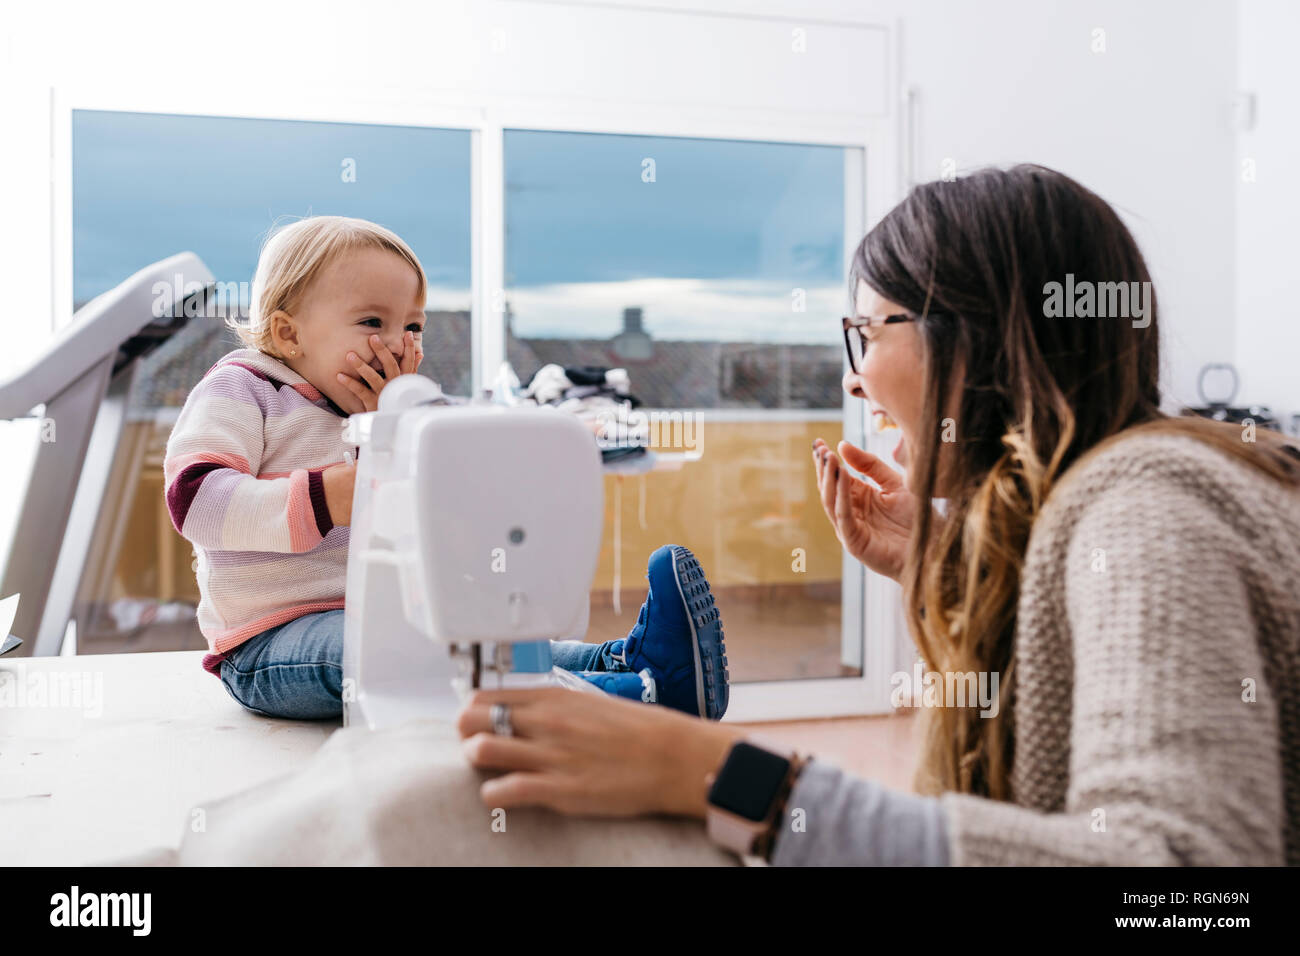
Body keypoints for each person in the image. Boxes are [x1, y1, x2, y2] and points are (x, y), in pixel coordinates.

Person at [457, 164, 1300, 866]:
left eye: (866, 332)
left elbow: (1194, 889)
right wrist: (942, 567)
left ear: (972, 336)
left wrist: (732, 777)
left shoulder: (1144, 508)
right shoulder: (1114, 499)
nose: (854, 381)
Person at [163, 215, 730, 721]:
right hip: (269, 640)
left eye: (412, 328)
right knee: (419, 650)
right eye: (372, 323)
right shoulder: (245, 388)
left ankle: (638, 669)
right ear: (289, 332)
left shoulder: (405, 405)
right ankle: (622, 700)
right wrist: (339, 492)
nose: (398, 344)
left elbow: (469, 430)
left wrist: (560, 429)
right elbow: (198, 502)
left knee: (493, 640)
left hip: (393, 611)